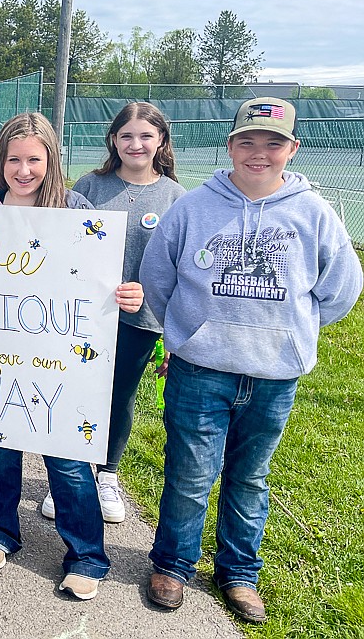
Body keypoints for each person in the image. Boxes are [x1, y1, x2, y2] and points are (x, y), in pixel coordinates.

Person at [139, 97, 362, 623]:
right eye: (248, 141)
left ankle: (238, 573)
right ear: (231, 145)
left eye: (273, 143)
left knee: (250, 476)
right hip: (200, 368)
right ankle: (173, 564)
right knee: (191, 472)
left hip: (274, 375)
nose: (258, 153)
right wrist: (187, 332)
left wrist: (288, 333)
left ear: (292, 149)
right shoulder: (193, 207)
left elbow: (341, 288)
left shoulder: (314, 213)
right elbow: (158, 278)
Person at [0, 112, 143, 600]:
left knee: (67, 461)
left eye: (34, 160)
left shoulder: (77, 211)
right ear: (0, 163)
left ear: (51, 161)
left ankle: (86, 555)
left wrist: (125, 295)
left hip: (60, 363)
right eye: (13, 159)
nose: (23, 170)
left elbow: (104, 281)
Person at [32, 103, 185, 524]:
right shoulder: (90, 187)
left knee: (119, 396)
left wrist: (164, 320)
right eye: (126, 136)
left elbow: (178, 270)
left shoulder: (176, 198)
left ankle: (107, 475)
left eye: (146, 136)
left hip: (139, 320)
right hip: (77, 318)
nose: (136, 144)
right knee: (75, 391)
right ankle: (68, 475)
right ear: (113, 140)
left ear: (161, 142)